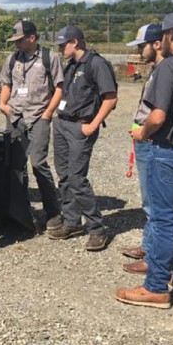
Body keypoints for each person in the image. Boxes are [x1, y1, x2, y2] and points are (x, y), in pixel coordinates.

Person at [116, 13, 173, 308]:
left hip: (167, 150)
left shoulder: (170, 65)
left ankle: (155, 287)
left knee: (163, 219)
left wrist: (142, 133)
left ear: (172, 36)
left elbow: (157, 116)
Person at [47, 25, 117, 251]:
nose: (60, 49)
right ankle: (72, 222)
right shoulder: (71, 65)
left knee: (77, 178)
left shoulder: (96, 64)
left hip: (81, 126)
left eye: (62, 44)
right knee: (64, 175)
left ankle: (96, 229)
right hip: (62, 123)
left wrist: (93, 125)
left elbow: (110, 98)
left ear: (75, 42)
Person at [0, 20, 64, 231]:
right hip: (15, 117)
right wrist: (3, 105)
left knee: (38, 164)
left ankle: (52, 212)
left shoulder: (49, 58)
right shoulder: (12, 59)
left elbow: (60, 88)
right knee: (15, 167)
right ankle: (21, 212)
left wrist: (47, 114)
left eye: (20, 40)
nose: (17, 44)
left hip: (38, 117)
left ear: (32, 38)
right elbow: (6, 83)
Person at [119, 23, 164, 275]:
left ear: (157, 44)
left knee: (155, 201)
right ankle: (149, 245)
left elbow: (160, 114)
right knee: (149, 199)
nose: (139, 52)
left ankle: (155, 256)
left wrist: (143, 132)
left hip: (151, 139)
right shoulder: (156, 69)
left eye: (141, 46)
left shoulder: (165, 71)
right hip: (144, 138)